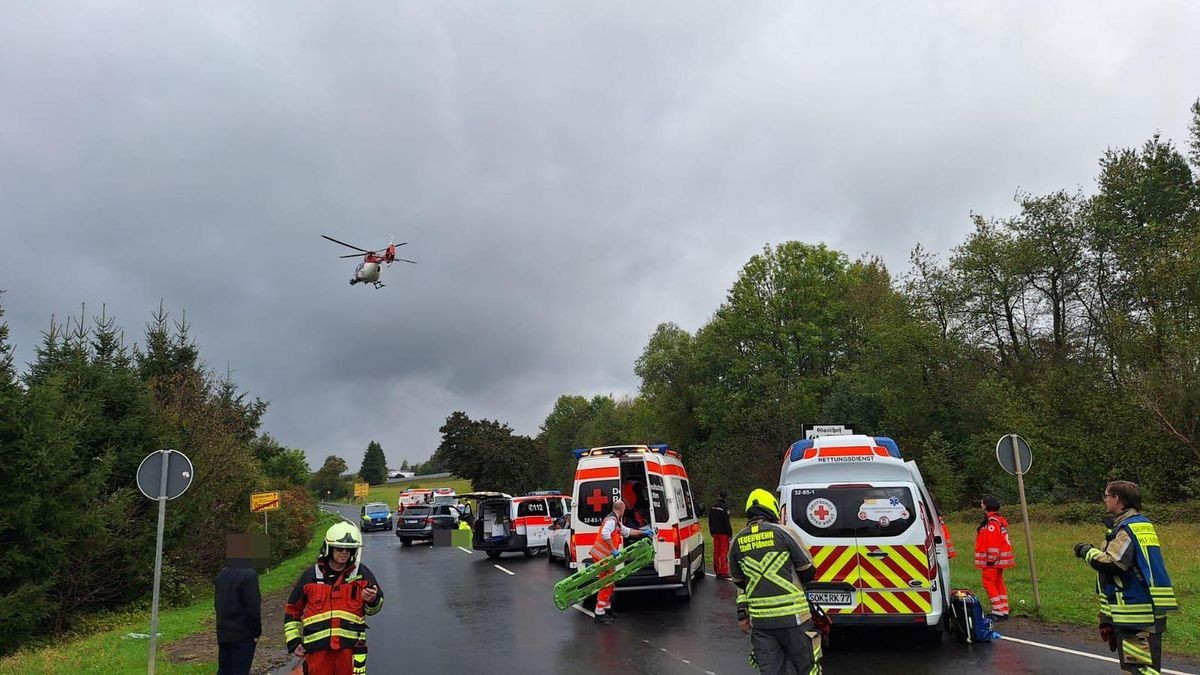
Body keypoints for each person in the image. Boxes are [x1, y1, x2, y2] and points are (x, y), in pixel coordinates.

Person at [1074, 481, 1178, 675]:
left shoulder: (1129, 528)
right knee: (1137, 669)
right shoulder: (1133, 525)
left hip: (1137, 615)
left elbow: (1112, 564)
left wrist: (1086, 551)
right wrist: (1107, 619)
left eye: (1107, 496)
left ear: (1117, 499)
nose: (1105, 500)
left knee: (1140, 670)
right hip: (1136, 612)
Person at [729, 489, 823, 674]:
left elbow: (739, 582)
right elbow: (808, 571)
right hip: (795, 619)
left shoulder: (737, 541)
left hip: (761, 624)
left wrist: (743, 613)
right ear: (772, 508)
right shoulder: (784, 533)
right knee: (808, 668)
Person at [284, 522, 384, 675]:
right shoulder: (310, 577)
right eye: (339, 549)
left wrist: (373, 599)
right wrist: (294, 642)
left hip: (350, 651)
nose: (344, 553)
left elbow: (375, 608)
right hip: (318, 652)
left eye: (348, 549)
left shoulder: (362, 574)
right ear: (328, 549)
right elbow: (292, 611)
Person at [590, 499, 650, 624]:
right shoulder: (611, 521)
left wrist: (643, 532)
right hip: (603, 557)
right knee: (606, 583)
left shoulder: (615, 521)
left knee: (610, 582)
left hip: (604, 557)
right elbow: (605, 534)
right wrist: (613, 549)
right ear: (621, 509)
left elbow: (628, 532)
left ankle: (606, 607)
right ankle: (599, 612)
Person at [215, 534, 264, 675]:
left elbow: (217, 603)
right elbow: (253, 607)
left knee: (224, 670)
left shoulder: (222, 574)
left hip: (223, 632)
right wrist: (256, 632)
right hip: (242, 634)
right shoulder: (249, 575)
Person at [974, 495, 1014, 620]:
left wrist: (991, 559)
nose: (981, 505)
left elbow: (992, 542)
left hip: (992, 561)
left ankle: (997, 610)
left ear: (986, 506)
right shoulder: (997, 520)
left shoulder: (992, 523)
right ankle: (1003, 609)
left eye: (982, 503)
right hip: (999, 560)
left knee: (989, 583)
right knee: (998, 583)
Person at [709, 490, 733, 579]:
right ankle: (723, 571)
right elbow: (726, 522)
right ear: (725, 497)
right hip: (723, 533)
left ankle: (717, 569)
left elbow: (710, 520)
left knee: (716, 552)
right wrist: (730, 533)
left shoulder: (713, 507)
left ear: (718, 496)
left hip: (715, 532)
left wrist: (711, 531)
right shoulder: (725, 508)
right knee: (723, 552)